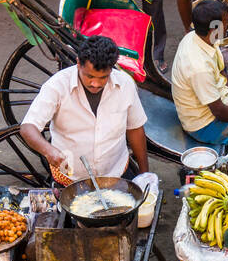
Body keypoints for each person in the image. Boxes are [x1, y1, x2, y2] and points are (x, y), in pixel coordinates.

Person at [20, 35, 151, 185]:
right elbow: (28, 127)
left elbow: (135, 128)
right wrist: (48, 150)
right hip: (70, 178)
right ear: (78, 64)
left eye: (103, 77)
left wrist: (144, 173)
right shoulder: (57, 86)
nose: (95, 83)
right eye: (89, 76)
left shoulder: (125, 84)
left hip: (115, 172)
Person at [172, 0, 228, 151]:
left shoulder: (199, 37)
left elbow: (221, 73)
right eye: (226, 22)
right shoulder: (199, 67)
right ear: (214, 29)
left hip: (219, 103)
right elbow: (218, 110)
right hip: (204, 124)